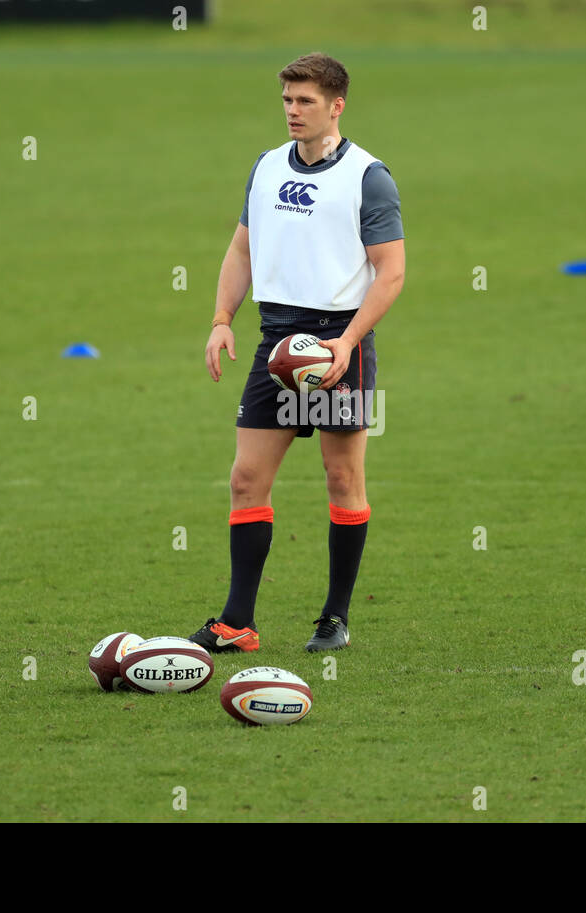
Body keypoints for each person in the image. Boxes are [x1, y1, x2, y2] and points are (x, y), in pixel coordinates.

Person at [190, 53, 405, 654]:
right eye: (287, 99)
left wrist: (347, 342)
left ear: (336, 106)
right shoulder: (264, 168)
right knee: (246, 478)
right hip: (275, 345)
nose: (292, 110)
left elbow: (390, 274)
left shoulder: (368, 178)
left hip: (338, 343)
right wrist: (220, 319)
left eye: (305, 101)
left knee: (342, 477)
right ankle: (237, 622)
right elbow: (241, 251)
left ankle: (334, 618)